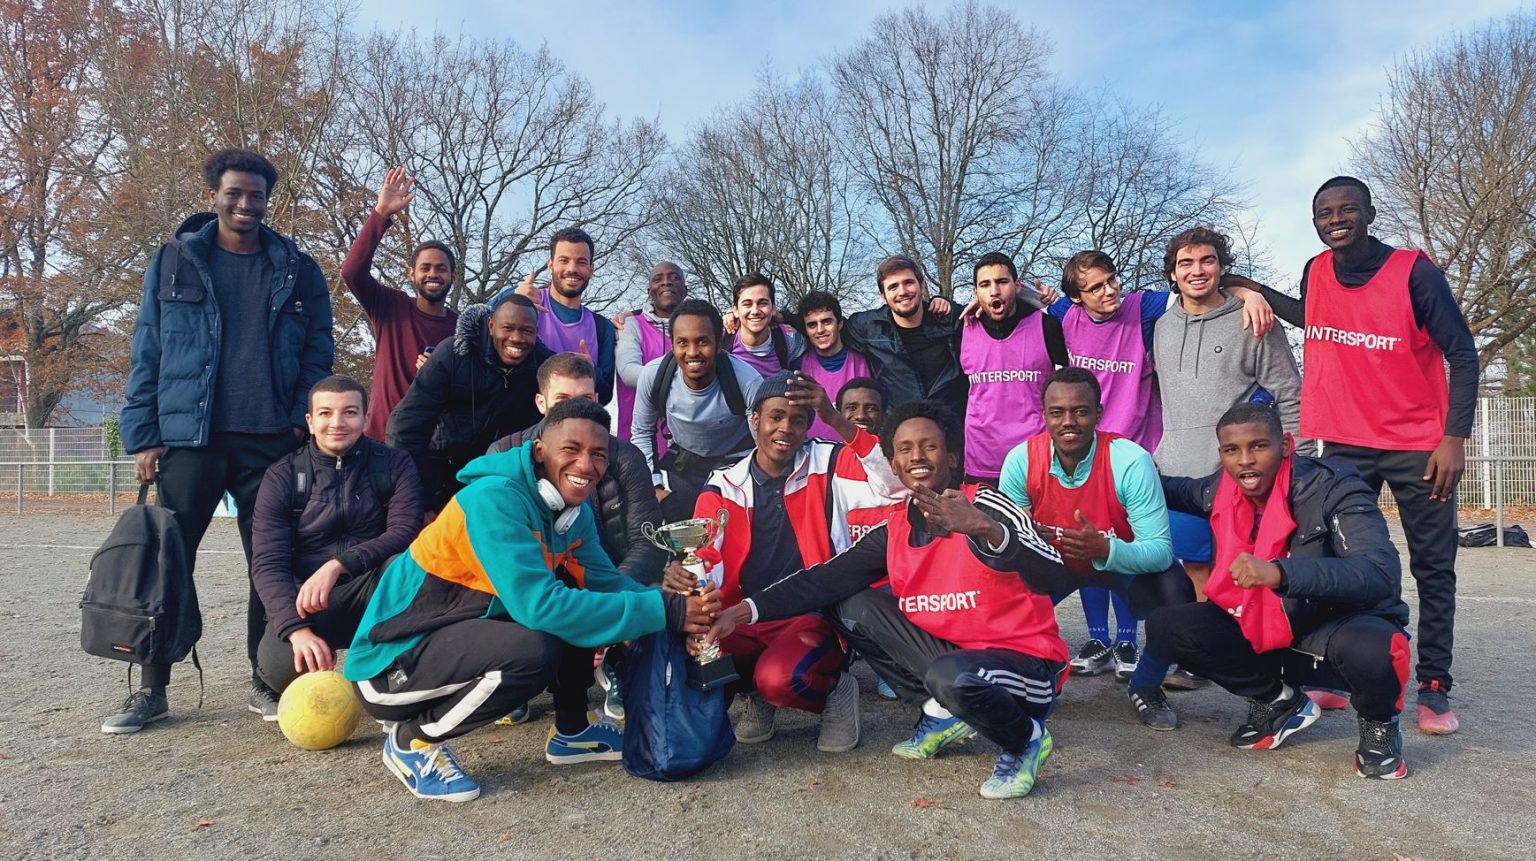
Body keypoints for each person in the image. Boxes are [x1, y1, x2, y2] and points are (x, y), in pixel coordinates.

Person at [346, 399, 720, 802]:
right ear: (540, 451)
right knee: (534, 647)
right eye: (571, 449)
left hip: (455, 636)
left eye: (598, 455)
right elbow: (539, 607)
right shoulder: (492, 500)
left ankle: (572, 732)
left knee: (578, 594)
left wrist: (675, 605)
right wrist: (664, 610)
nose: (586, 465)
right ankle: (411, 741)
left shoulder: (571, 511)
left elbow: (606, 582)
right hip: (389, 667)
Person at [706, 401, 1072, 800]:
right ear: (894, 466)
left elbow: (1055, 572)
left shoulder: (985, 504)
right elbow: (823, 580)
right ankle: (942, 711)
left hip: (1027, 670)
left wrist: (986, 529)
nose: (917, 456)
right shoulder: (895, 528)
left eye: (929, 446)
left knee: (952, 675)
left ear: (951, 456)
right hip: (954, 663)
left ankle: (1025, 740)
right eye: (905, 449)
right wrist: (743, 612)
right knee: (847, 603)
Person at [1227, 176, 1479, 734]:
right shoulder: (1317, 270)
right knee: (1336, 563)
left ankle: (1434, 685)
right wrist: (1247, 286)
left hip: (1418, 446)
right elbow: (1311, 316)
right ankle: (1339, 671)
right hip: (1344, 443)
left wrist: (1453, 439)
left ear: (1369, 213)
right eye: (1325, 212)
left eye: (1347, 209)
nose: (1335, 219)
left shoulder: (1414, 272)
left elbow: (1463, 353)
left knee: (1432, 566)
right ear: (1315, 221)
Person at [112, 148, 334, 733]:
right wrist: (143, 435)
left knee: (271, 563)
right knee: (168, 561)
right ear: (213, 195)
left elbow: (318, 351)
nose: (245, 204)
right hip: (191, 439)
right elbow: (148, 348)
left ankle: (266, 678)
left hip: (272, 440)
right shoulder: (174, 261)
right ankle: (152, 687)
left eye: (256, 195)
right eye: (234, 193)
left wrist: (300, 420)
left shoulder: (299, 269)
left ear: (267, 201)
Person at [1146, 403, 1412, 779]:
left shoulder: (1335, 487)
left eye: (1258, 446)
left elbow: (1378, 573)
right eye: (1232, 450)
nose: (1245, 460)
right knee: (1168, 626)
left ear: (1285, 445)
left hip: (1329, 628)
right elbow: (1171, 489)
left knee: (1376, 647)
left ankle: (1379, 725)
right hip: (1262, 625)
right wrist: (1114, 463)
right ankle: (1278, 700)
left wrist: (1280, 573)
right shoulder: (1220, 488)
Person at [1049, 251, 1274, 687]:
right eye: (1096, 287)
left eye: (1111, 279)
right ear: (1077, 297)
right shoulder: (1064, 316)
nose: (1110, 290)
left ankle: (1128, 641)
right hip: (1089, 452)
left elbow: (1197, 287)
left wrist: (1249, 292)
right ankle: (1097, 640)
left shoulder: (1143, 306)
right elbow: (1024, 299)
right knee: (1087, 542)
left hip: (1139, 451)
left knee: (1127, 544)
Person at [676, 371, 904, 752]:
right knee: (691, 649)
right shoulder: (724, 483)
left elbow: (894, 487)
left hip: (810, 614)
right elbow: (705, 554)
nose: (786, 428)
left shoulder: (828, 461)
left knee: (780, 679)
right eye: (776, 417)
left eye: (798, 420)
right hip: (742, 615)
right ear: (755, 421)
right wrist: (696, 597)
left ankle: (836, 690)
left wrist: (837, 420)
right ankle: (755, 695)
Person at [997, 368, 1195, 730]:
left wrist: (1104, 548)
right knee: (1001, 592)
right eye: (1057, 412)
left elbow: (1160, 551)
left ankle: (1146, 684)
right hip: (1054, 564)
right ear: (1044, 415)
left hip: (1118, 564)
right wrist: (1029, 538)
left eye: (1080, 411)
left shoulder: (1129, 460)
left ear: (1099, 413)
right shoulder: (1021, 460)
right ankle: (1033, 676)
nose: (1068, 422)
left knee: (1175, 591)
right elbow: (1010, 544)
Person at [1152, 226, 1301, 690]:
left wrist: (1296, 459)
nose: (1197, 271)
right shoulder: (1161, 325)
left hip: (1236, 476)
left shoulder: (1253, 319)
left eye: (1207, 261)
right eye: (1186, 263)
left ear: (1222, 267)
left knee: (1249, 571)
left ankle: (1268, 664)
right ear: (1172, 274)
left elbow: (1289, 393)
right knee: (1197, 570)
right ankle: (1205, 657)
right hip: (1176, 471)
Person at [487, 352, 668, 722]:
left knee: (649, 587)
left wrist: (611, 597)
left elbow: (647, 540)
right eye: (561, 401)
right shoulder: (504, 453)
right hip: (534, 582)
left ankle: (618, 663)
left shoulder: (627, 457)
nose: (574, 412)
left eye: (585, 400)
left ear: (598, 400)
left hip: (607, 572)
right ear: (541, 403)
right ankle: (510, 676)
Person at [248, 376, 423, 707]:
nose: (337, 423)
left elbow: (405, 531)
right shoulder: (283, 475)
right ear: (310, 421)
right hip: (309, 601)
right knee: (282, 671)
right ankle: (306, 650)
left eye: (349, 412)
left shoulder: (394, 464)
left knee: (404, 564)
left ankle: (389, 665)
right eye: (326, 413)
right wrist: (296, 630)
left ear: (365, 417)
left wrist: (340, 564)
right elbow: (268, 563)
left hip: (372, 590)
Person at [386, 292, 551, 513]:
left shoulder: (544, 369)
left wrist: (592, 372)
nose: (517, 338)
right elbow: (406, 427)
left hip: (500, 485)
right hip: (440, 478)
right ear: (491, 326)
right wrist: (418, 500)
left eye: (527, 331)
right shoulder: (452, 354)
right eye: (508, 328)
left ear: (536, 332)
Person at [340, 166, 460, 440]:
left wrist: (440, 373)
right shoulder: (389, 307)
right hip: (380, 441)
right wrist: (381, 213)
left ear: (453, 276)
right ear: (411, 274)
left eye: (441, 269)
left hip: (434, 448)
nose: (433, 274)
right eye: (425, 268)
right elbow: (351, 272)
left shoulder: (461, 330)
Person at [631, 299, 764, 522]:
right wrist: (654, 487)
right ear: (672, 344)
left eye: (703, 342)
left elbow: (763, 442)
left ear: (719, 343)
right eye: (682, 342)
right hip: (683, 466)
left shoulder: (746, 379)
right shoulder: (654, 376)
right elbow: (642, 431)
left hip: (737, 465)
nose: (692, 352)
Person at [959, 251, 1068, 483]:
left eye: (1002, 282)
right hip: (982, 461)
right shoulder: (963, 328)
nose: (994, 291)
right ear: (975, 293)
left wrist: (1040, 298)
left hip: (1037, 457)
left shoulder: (1047, 326)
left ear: (1017, 286)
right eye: (985, 285)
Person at [843, 256, 965, 418]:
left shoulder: (949, 321)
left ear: (921, 285)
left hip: (949, 425)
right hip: (899, 426)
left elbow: (984, 314)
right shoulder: (868, 328)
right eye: (893, 287)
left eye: (908, 283)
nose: (902, 292)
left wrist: (950, 304)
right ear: (883, 296)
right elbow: (827, 328)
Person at [516, 227, 618, 403]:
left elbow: (605, 395)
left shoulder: (603, 327)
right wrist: (512, 303)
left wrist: (590, 370)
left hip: (577, 419)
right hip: (520, 419)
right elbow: (477, 333)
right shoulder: (522, 301)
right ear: (550, 265)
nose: (572, 269)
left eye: (581, 262)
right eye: (564, 260)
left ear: (591, 269)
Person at [614, 261, 688, 444]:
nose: (666, 282)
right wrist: (687, 380)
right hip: (639, 440)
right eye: (658, 279)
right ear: (649, 292)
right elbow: (628, 372)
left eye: (674, 278)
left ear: (685, 290)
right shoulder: (630, 325)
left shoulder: (700, 326)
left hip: (690, 440)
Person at [793, 291, 873, 440]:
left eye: (827, 322)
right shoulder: (797, 365)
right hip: (811, 451)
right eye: (812, 325)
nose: (820, 330)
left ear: (839, 323)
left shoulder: (865, 361)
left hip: (854, 449)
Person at [727, 273, 806, 376]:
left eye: (762, 303)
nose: (755, 311)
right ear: (735, 310)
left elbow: (816, 334)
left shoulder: (789, 339)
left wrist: (784, 317)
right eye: (747, 304)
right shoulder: (722, 340)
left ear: (773, 308)